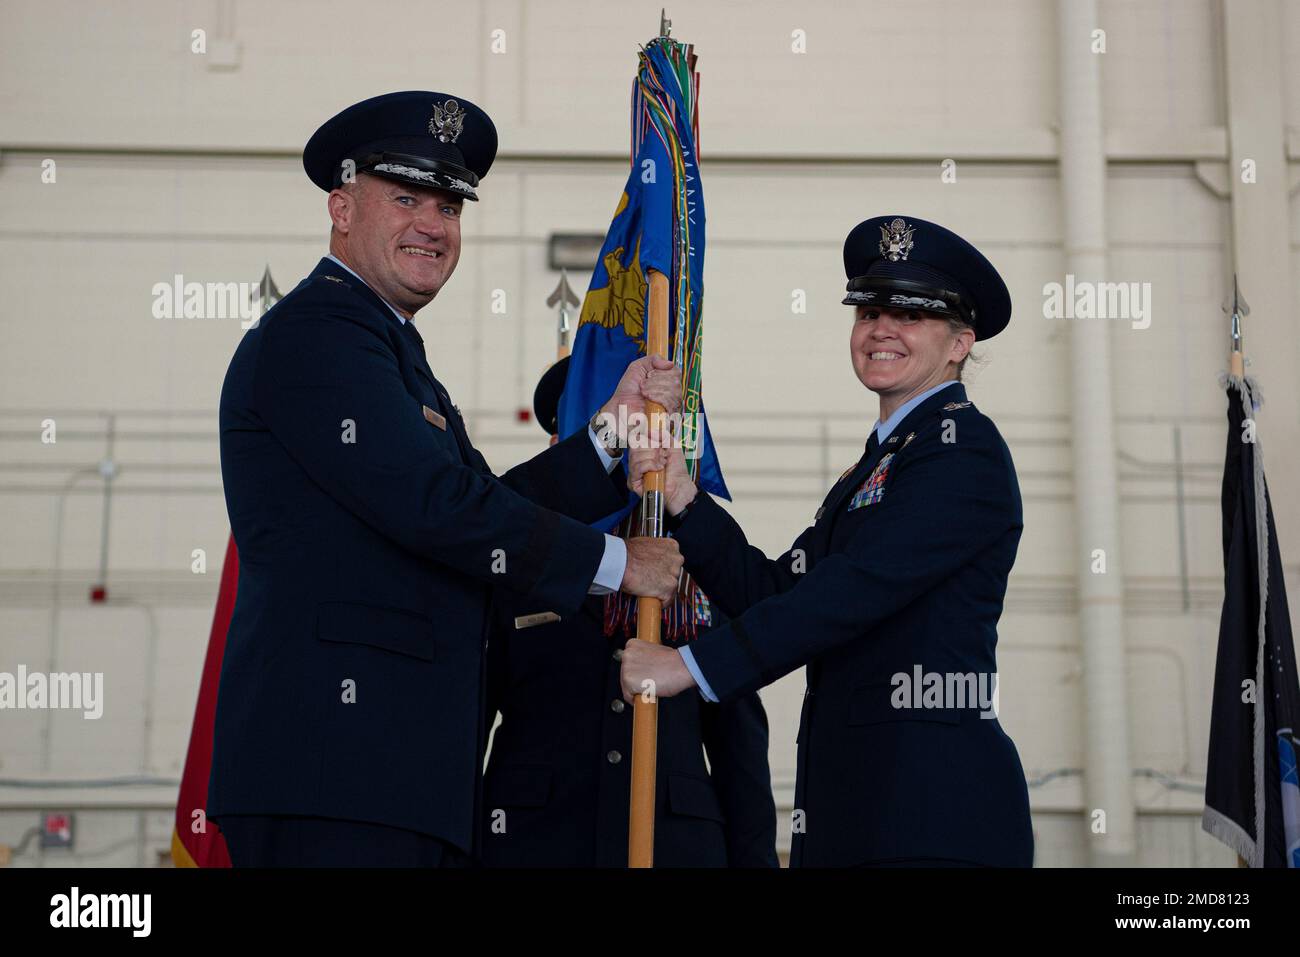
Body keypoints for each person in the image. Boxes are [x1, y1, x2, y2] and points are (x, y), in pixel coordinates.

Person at [208, 91, 684, 867]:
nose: (433, 224)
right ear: (340, 206)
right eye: (404, 198)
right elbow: (436, 507)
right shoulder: (319, 333)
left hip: (396, 776)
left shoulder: (390, 348)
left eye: (449, 206)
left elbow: (477, 503)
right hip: (337, 772)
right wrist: (618, 565)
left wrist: (612, 431)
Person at [620, 216, 1034, 867]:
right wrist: (683, 497)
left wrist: (688, 667)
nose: (882, 330)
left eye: (912, 316)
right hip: (859, 809)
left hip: (930, 818)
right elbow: (779, 590)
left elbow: (849, 592)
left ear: (960, 342)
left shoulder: (963, 453)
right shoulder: (880, 464)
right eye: (869, 311)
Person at [478, 358, 779, 868]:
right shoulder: (519, 563)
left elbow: (739, 750)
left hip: (674, 846)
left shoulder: (703, 563)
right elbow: (473, 713)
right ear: (560, 450)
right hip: (536, 842)